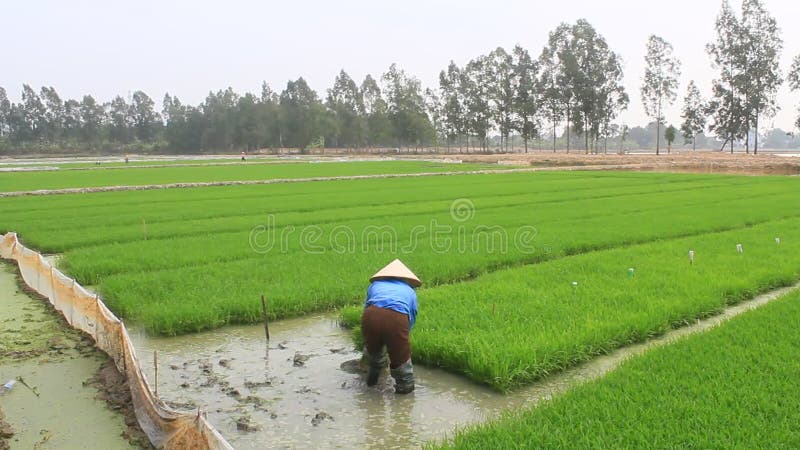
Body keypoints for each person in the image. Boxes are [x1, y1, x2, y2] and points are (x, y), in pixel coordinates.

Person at [361, 259, 421, 394]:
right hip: (397, 318)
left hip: (371, 315)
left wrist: (367, 328)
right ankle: (405, 391)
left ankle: (371, 382)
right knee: (400, 356)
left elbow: (367, 306)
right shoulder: (409, 291)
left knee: (374, 351)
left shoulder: (375, 285)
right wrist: (404, 333)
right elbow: (412, 314)